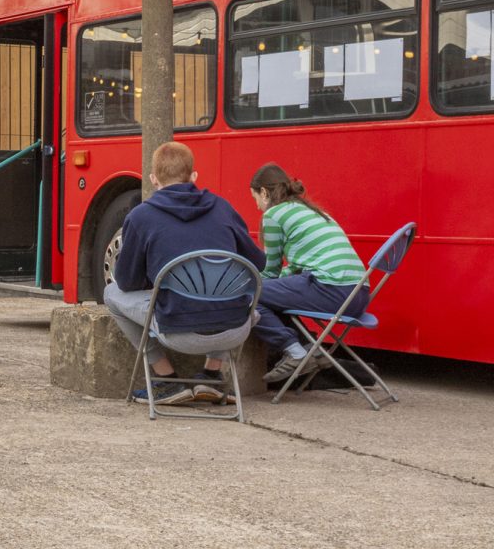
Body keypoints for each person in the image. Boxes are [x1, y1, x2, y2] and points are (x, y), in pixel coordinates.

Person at [105, 142, 266, 405]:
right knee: (224, 299)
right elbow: (256, 263)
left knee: (111, 293)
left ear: (153, 179)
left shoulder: (140, 216)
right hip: (236, 328)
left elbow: (127, 282)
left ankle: (166, 380)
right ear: (193, 177)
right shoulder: (223, 208)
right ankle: (212, 375)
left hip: (176, 332)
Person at [249, 163, 369, 384]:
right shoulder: (311, 210)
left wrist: (247, 280)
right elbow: (294, 268)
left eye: (255, 198)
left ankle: (295, 351)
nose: (257, 206)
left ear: (264, 193)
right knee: (271, 294)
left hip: (333, 290)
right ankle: (311, 349)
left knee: (250, 293)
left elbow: (270, 271)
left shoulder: (274, 215)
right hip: (358, 295)